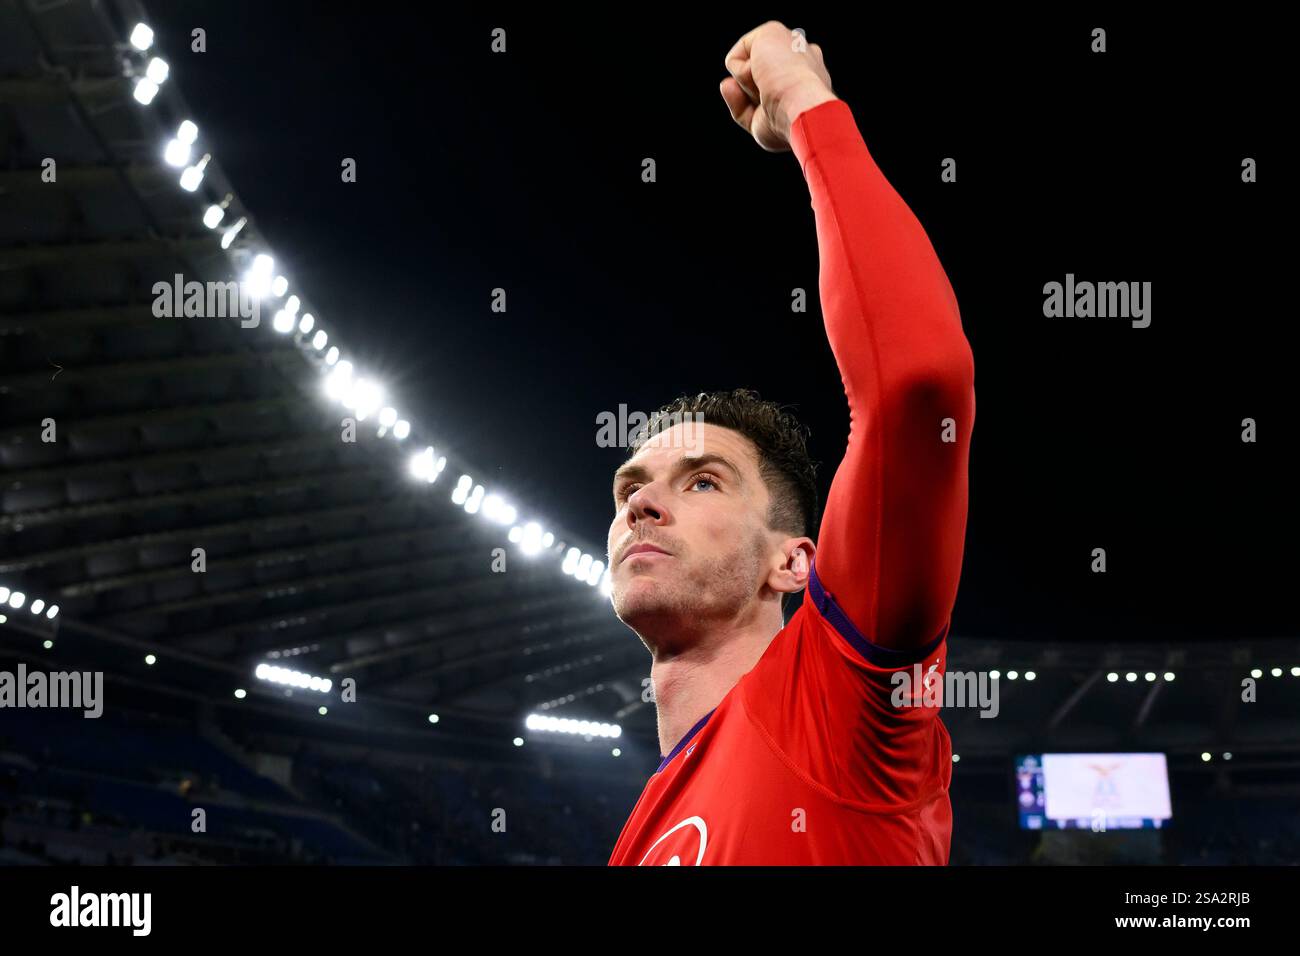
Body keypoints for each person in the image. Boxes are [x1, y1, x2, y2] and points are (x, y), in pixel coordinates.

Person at [606, 20, 974, 865]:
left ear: (793, 562)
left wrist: (808, 104)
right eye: (631, 486)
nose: (640, 502)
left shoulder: (838, 701)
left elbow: (918, 382)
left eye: (703, 482)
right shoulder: (639, 834)